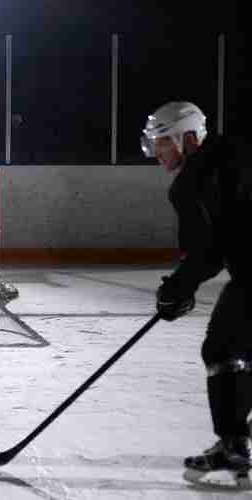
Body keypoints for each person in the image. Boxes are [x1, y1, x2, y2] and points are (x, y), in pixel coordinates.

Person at [141, 101, 252, 477]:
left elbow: (208, 252)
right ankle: (234, 443)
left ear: (188, 139)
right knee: (234, 346)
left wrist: (177, 289)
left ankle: (233, 446)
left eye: (163, 143)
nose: (157, 152)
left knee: (223, 347)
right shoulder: (235, 150)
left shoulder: (191, 184)